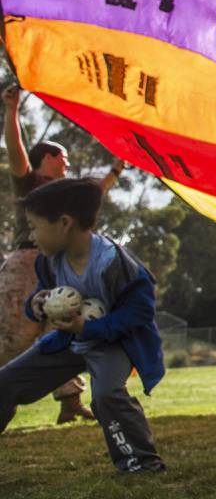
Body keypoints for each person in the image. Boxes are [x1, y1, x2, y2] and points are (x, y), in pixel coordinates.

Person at [0, 179, 165, 471]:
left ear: (64, 223)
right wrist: (37, 305)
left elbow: (141, 310)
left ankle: (141, 462)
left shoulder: (114, 263)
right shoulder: (49, 261)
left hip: (113, 344)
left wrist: (89, 329)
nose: (31, 236)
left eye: (34, 226)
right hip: (69, 343)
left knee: (106, 396)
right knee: (5, 382)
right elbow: (44, 294)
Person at [2, 85, 123, 425]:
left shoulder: (68, 194)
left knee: (61, 327)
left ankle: (70, 403)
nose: (67, 161)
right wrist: (11, 111)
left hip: (56, 266)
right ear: (47, 159)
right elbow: (15, 152)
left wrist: (115, 171)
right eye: (62, 156)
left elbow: (93, 194)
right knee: (14, 338)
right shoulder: (29, 183)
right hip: (25, 264)